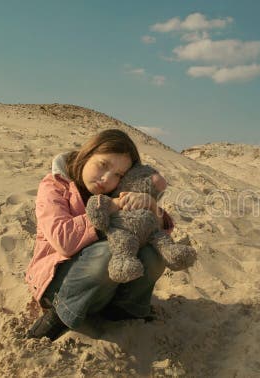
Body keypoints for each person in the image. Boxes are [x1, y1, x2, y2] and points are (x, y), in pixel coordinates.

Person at [25, 129, 173, 340]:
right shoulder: (55, 186)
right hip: (57, 284)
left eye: (118, 175)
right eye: (103, 165)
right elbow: (63, 241)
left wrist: (152, 208)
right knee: (109, 251)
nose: (106, 178)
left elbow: (156, 233)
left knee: (154, 252)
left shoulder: (118, 191)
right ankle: (61, 315)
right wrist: (110, 207)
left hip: (104, 289)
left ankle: (124, 309)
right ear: (87, 154)